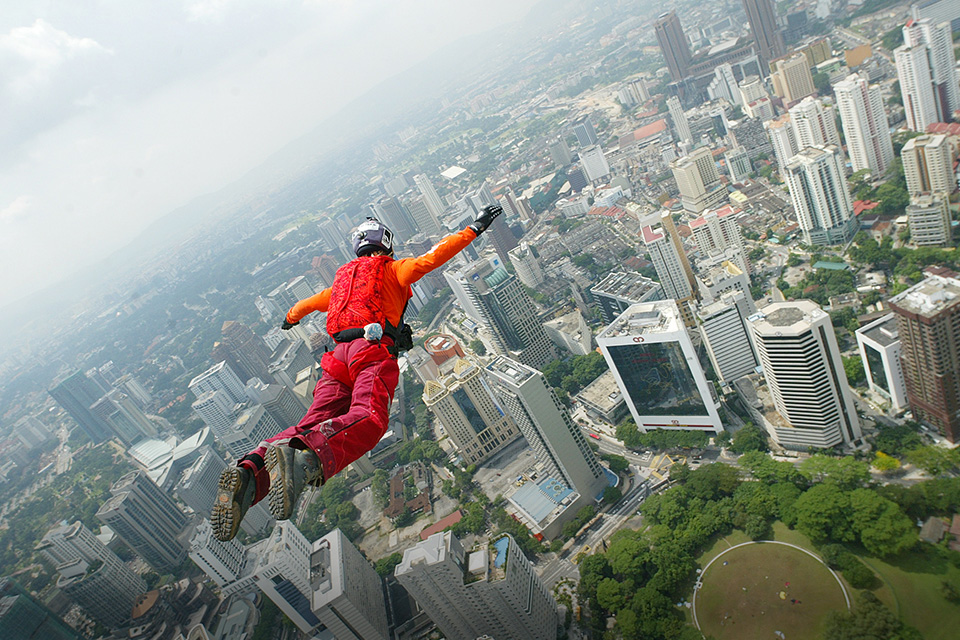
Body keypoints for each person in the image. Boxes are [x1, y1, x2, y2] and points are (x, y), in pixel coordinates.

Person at [211, 204, 502, 541]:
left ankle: (249, 472)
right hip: (369, 352)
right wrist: (475, 228)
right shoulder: (392, 269)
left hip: (336, 361)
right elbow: (433, 258)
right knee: (370, 417)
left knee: (310, 420)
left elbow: (307, 304)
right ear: (387, 243)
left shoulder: (341, 280)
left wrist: (291, 317)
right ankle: (308, 457)